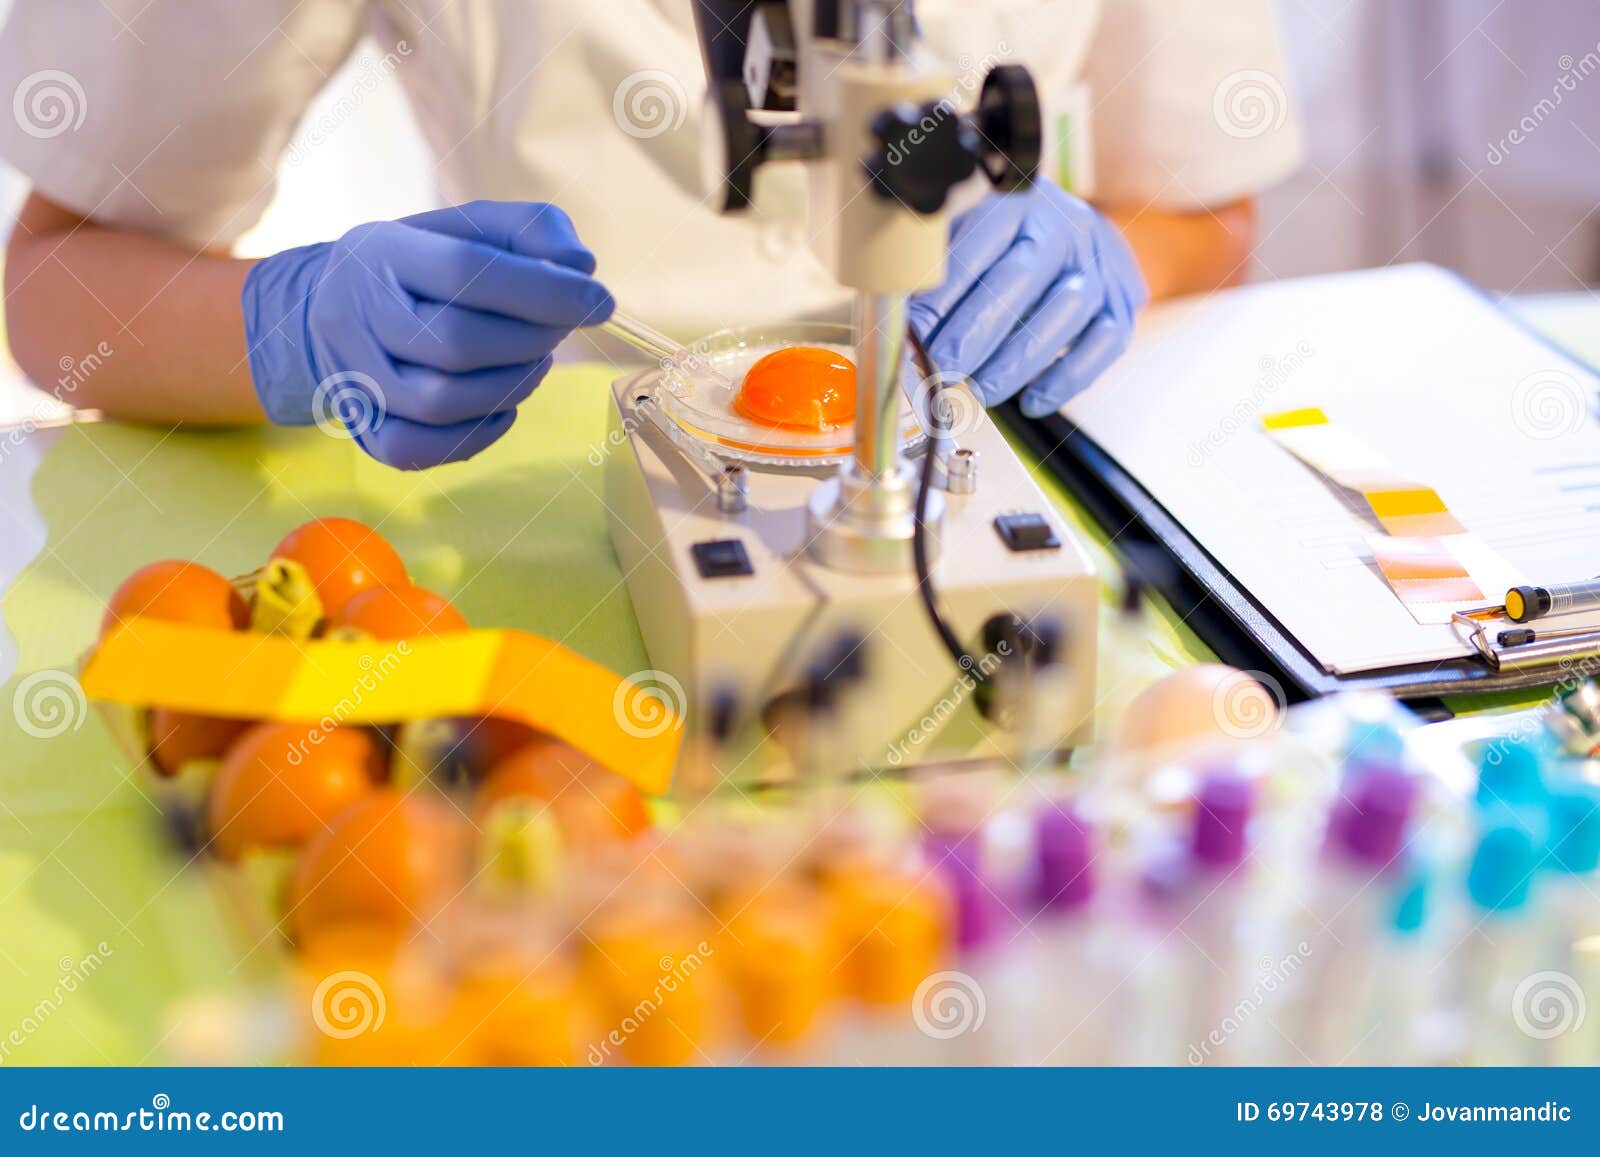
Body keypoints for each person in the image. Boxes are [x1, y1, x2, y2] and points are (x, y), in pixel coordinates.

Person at [0, 1, 1301, 469]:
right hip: (562, 505)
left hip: (961, 467)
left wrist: (1116, 262)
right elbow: (58, 287)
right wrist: (295, 328)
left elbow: (1202, 196)